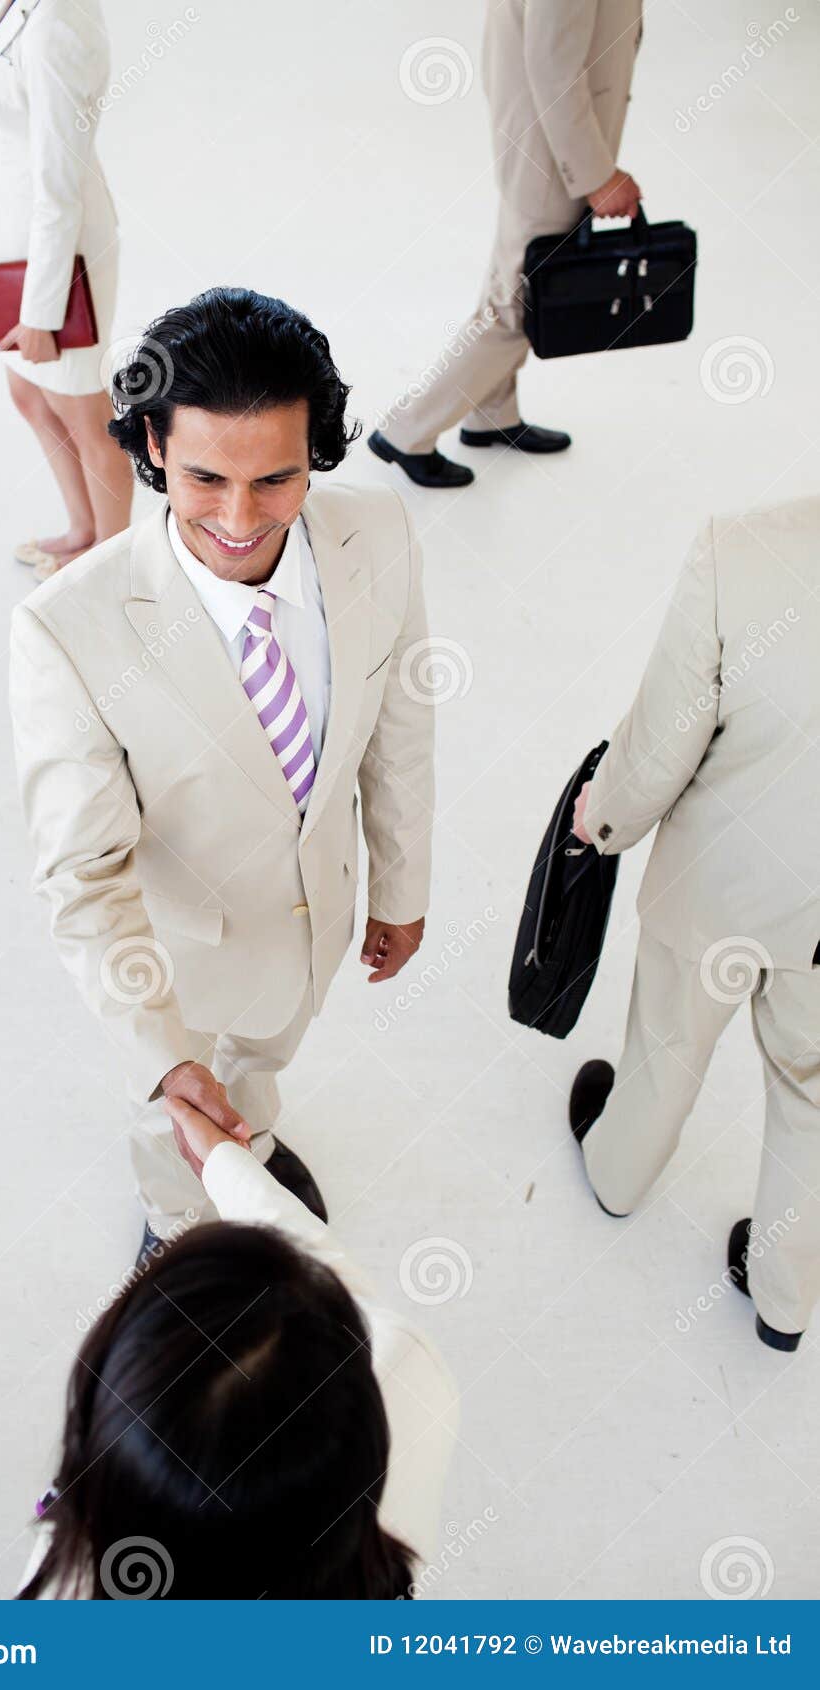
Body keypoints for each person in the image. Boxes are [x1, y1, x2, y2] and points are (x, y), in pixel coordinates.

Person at [9, 288, 435, 1260]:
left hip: (315, 931)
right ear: (152, 445)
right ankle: (176, 1228)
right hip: (178, 973)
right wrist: (162, 1060)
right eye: (205, 477)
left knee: (260, 1065)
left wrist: (399, 887)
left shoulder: (380, 536)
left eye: (276, 479)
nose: (240, 520)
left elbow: (400, 727)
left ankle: (259, 1142)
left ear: (315, 454)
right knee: (178, 1125)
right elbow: (82, 877)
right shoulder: (66, 631)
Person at [17, 1099, 459, 1598]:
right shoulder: (410, 1379)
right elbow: (350, 1301)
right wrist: (226, 1165)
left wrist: (223, 1166)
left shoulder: (59, 1593)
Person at [568, 498, 820, 1353]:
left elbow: (664, 737)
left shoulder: (743, 550)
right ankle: (784, 1303)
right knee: (812, 1094)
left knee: (668, 1043)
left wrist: (605, 817)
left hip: (723, 885)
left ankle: (617, 1177)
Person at [369, 0, 643, 489]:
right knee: (518, 306)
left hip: (543, 142)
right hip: (552, 152)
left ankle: (492, 413)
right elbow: (551, 63)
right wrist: (596, 176)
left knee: (510, 284)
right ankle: (407, 431)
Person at [0, 0, 132, 579]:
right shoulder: (23, 8)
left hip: (61, 252)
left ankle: (114, 571)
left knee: (82, 410)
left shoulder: (54, 27)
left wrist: (43, 312)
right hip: (17, 243)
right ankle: (84, 531)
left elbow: (60, 181)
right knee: (29, 392)